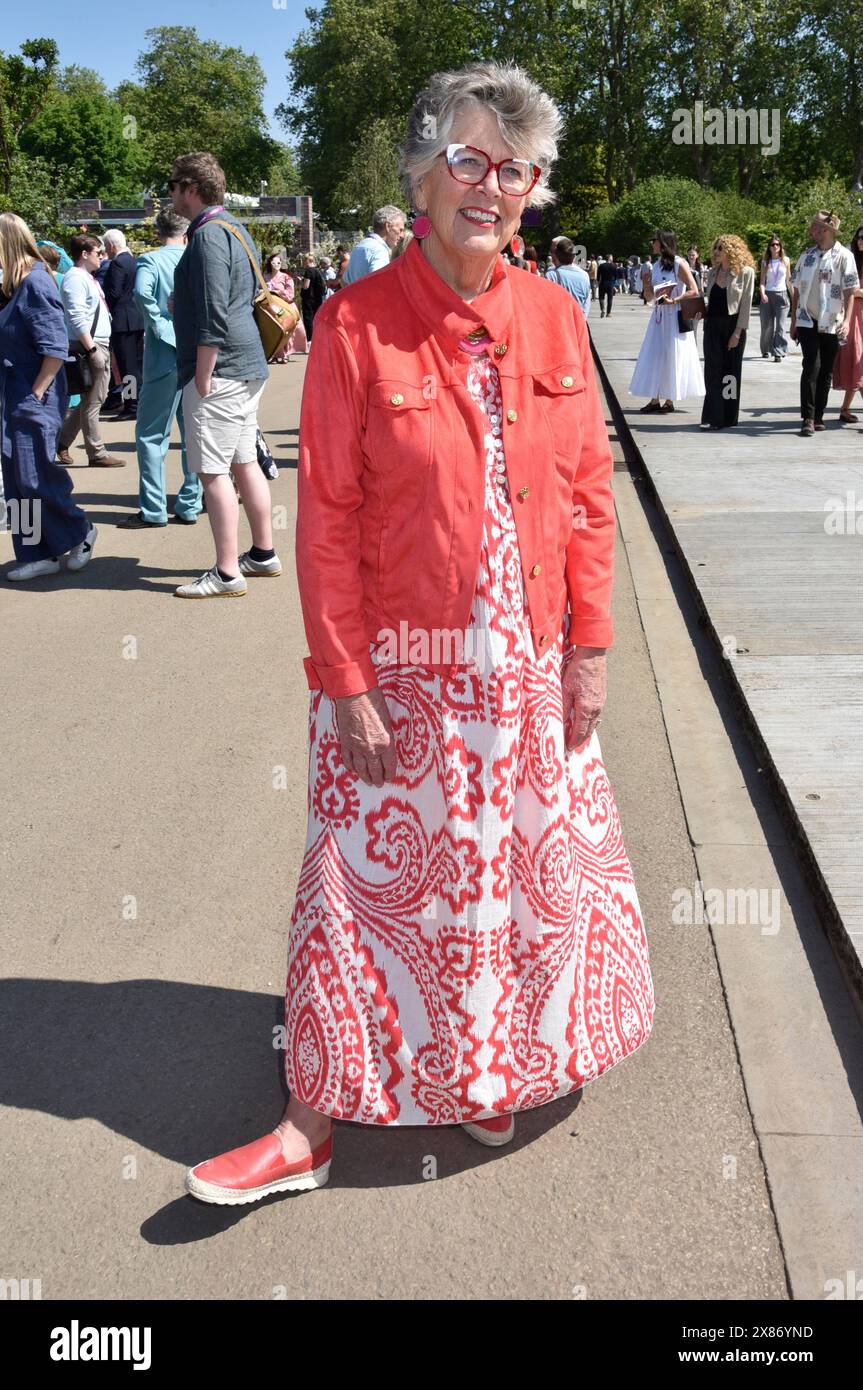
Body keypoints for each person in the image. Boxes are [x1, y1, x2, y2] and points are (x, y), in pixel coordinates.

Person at [184, 58, 655, 1207]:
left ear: (531, 188)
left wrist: (588, 649)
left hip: (528, 660)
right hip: (400, 666)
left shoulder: (551, 314)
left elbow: (590, 493)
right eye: (464, 157)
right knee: (354, 885)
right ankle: (311, 1122)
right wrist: (343, 679)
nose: (486, 185)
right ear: (419, 169)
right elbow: (326, 523)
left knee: (503, 881)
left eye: (512, 167)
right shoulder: (354, 326)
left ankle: (480, 1065)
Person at [168, 150, 278, 597]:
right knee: (244, 461)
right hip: (245, 365)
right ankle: (263, 554)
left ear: (191, 189)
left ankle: (227, 572)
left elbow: (215, 309)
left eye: (174, 186)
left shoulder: (208, 236)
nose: (171, 193)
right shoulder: (232, 227)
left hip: (221, 370)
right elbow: (241, 294)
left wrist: (202, 374)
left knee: (212, 472)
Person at [0, 213, 96, 581]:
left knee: (36, 476)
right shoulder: (12, 284)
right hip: (15, 392)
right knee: (16, 480)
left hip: (32, 391)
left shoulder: (36, 282)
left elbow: (55, 347)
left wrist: (37, 393)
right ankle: (36, 553)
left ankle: (80, 531)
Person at [119, 207, 202, 529]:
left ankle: (153, 509)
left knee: (151, 435)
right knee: (193, 435)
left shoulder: (151, 260)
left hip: (163, 357)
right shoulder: (194, 259)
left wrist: (159, 323)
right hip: (194, 353)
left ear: (158, 232)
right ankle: (189, 504)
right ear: (185, 232)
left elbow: (141, 292)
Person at [55, 234, 125, 468]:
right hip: (91, 346)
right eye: (98, 252)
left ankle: (62, 441)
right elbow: (76, 315)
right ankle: (96, 452)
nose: (102, 257)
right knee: (94, 401)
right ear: (84, 254)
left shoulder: (85, 277)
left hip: (96, 344)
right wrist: (92, 347)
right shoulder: (76, 278)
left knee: (91, 399)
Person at [790, 210, 860, 437]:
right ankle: (808, 418)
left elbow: (850, 292)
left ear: (827, 230)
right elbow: (796, 291)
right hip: (806, 319)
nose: (811, 230)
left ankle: (818, 415)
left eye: (815, 226)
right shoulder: (806, 256)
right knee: (811, 365)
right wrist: (793, 321)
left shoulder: (844, 256)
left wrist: (848, 321)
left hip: (832, 321)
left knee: (826, 370)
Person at [629, 229, 704, 413]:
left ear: (662, 243)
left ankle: (669, 400)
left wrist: (675, 300)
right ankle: (654, 398)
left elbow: (694, 290)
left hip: (674, 315)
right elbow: (649, 296)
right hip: (659, 315)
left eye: (654, 240)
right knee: (655, 354)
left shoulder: (679, 263)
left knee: (672, 355)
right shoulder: (656, 265)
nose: (652, 244)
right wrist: (646, 284)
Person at [700, 234, 755, 430]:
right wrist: (699, 312)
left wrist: (737, 333)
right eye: (715, 248)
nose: (716, 252)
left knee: (730, 374)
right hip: (712, 327)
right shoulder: (713, 272)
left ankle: (729, 416)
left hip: (733, 327)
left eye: (720, 248)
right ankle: (714, 416)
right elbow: (709, 301)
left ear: (731, 250)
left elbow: (746, 305)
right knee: (712, 372)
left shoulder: (746, 272)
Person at [102, 229, 145, 420]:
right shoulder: (133, 261)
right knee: (136, 366)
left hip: (122, 322)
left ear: (111, 246)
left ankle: (131, 406)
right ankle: (137, 402)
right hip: (135, 319)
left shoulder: (118, 263)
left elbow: (114, 292)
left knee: (127, 368)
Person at [832, 224, 863, 423]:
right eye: (859, 237)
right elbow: (845, 288)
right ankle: (844, 409)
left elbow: (852, 290)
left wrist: (854, 291)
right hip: (853, 317)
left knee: (859, 362)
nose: (861, 241)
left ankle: (844, 408)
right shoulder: (852, 261)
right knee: (855, 359)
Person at [342, 206, 405, 285]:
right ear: (388, 226)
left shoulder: (360, 246)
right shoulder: (380, 251)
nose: (402, 235)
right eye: (400, 230)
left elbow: (344, 281)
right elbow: (379, 285)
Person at [758, 235, 791, 362]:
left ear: (781, 246)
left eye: (777, 244)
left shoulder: (786, 260)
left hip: (782, 294)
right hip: (768, 294)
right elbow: (762, 282)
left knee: (781, 326)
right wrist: (762, 293)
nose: (775, 247)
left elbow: (789, 280)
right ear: (769, 247)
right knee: (767, 325)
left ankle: (779, 351)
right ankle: (766, 349)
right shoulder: (765, 262)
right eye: (773, 245)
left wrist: (794, 298)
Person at [545, 234, 590, 318]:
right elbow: (586, 305)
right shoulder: (583, 275)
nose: (551, 254)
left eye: (553, 251)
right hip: (577, 324)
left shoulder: (551, 275)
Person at [263, 251, 295, 362]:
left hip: (282, 307)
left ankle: (284, 354)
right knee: (271, 330)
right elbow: (258, 290)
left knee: (283, 328)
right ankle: (273, 353)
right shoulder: (265, 277)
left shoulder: (286, 277)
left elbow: (291, 294)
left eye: (278, 262)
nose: (276, 264)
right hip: (268, 308)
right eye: (274, 262)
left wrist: (278, 292)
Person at [299, 252, 326, 343]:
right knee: (316, 318)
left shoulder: (309, 271)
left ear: (307, 261)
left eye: (303, 260)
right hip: (318, 298)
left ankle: (310, 339)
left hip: (309, 299)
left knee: (308, 319)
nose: (302, 262)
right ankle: (319, 338)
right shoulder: (317, 271)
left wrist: (300, 283)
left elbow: (306, 286)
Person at [597, 253, 616, 317]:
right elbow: (616, 276)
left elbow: (598, 276)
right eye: (612, 257)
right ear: (610, 258)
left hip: (603, 282)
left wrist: (598, 282)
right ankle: (608, 313)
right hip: (610, 283)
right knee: (610, 299)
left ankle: (602, 309)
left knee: (601, 297)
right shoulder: (613, 266)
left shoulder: (601, 266)